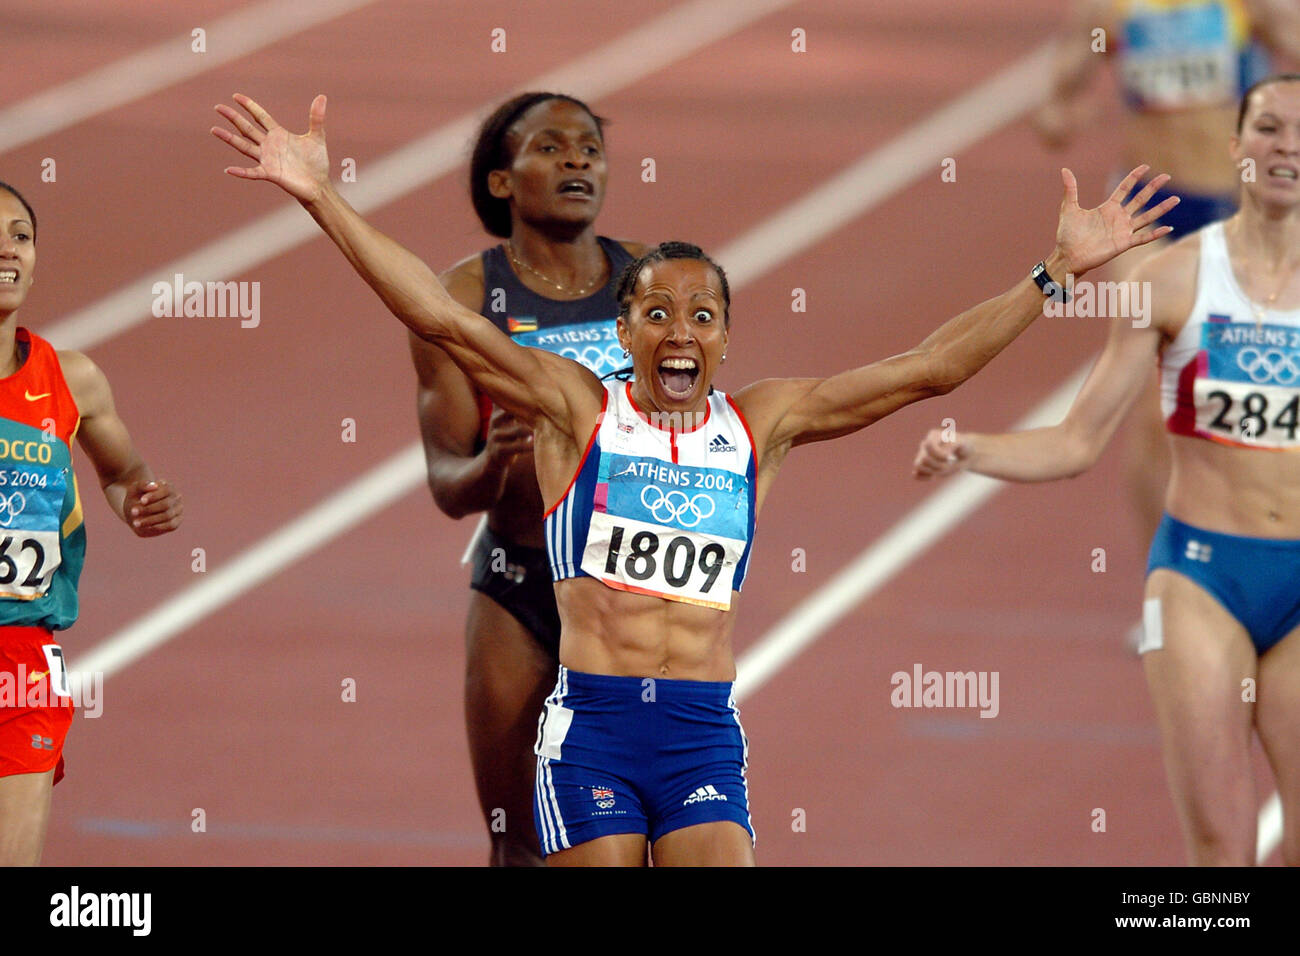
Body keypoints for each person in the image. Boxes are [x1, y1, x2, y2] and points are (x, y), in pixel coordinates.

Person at [211, 92, 1175, 865]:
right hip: (590, 732)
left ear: (725, 337)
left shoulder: (766, 421)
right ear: (622, 334)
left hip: (701, 735)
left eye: (703, 316)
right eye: (659, 314)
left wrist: (1054, 274)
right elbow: (440, 317)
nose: (682, 332)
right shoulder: (577, 409)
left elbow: (928, 369)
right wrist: (322, 199)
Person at [914, 74, 1300, 867]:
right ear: (1234, 148)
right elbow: (1077, 440)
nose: (1286, 146)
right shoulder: (1167, 282)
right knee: (1221, 851)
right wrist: (972, 449)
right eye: (1267, 128)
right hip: (1202, 578)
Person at [409, 92, 645, 866]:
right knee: (517, 844)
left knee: (634, 837)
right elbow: (447, 482)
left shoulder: (653, 289)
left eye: (589, 147)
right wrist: (493, 465)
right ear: (502, 182)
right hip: (518, 585)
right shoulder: (463, 301)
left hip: (629, 594)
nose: (577, 159)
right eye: (550, 147)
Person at [1035, 0, 1300, 649]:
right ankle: (1167, 591)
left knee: (1255, 391)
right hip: (1147, 213)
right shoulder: (1114, 7)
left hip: (1236, 209)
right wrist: (1060, 112)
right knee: (1157, 409)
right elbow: (1061, 88)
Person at [0, 181, 183, 866]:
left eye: (20, 234)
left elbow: (122, 472)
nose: (7, 250)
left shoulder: (71, 379)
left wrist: (141, 499)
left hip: (21, 661)